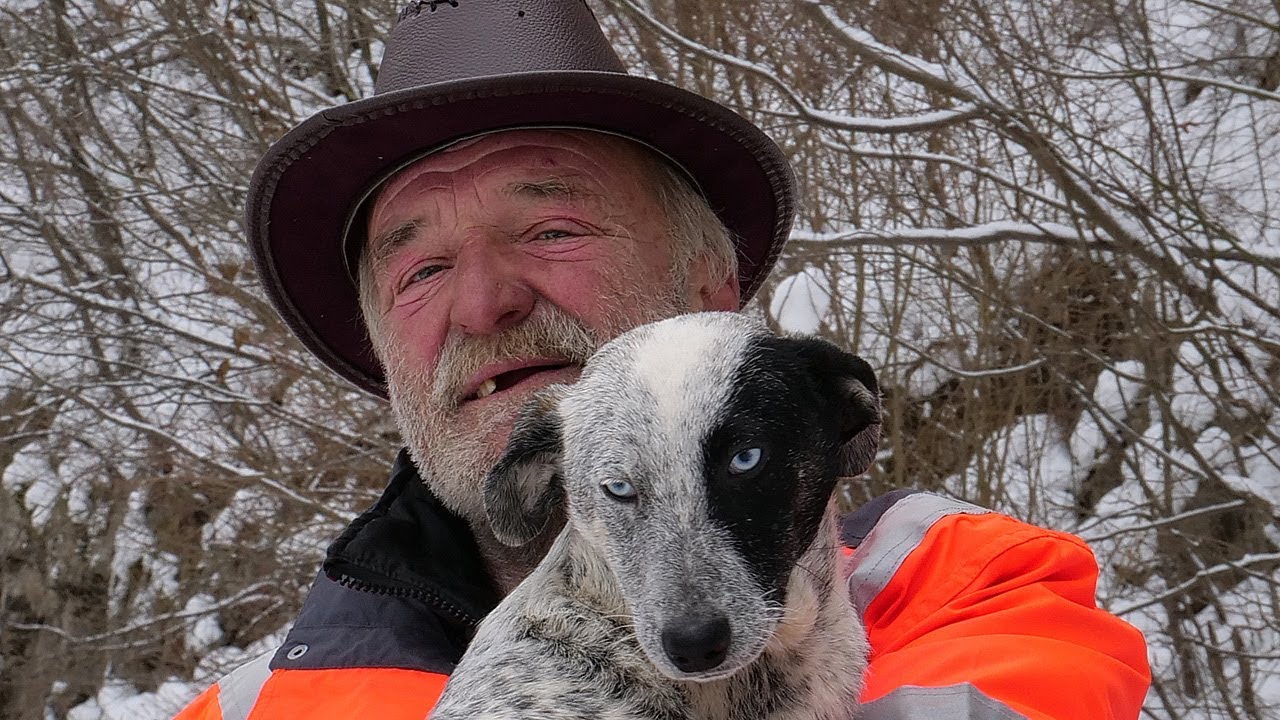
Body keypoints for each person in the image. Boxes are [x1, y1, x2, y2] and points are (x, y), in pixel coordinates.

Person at [175, 1, 1150, 718]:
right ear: (386, 354)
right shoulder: (255, 706)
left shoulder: (956, 582)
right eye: (420, 269)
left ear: (710, 287)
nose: (483, 301)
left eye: (551, 226)